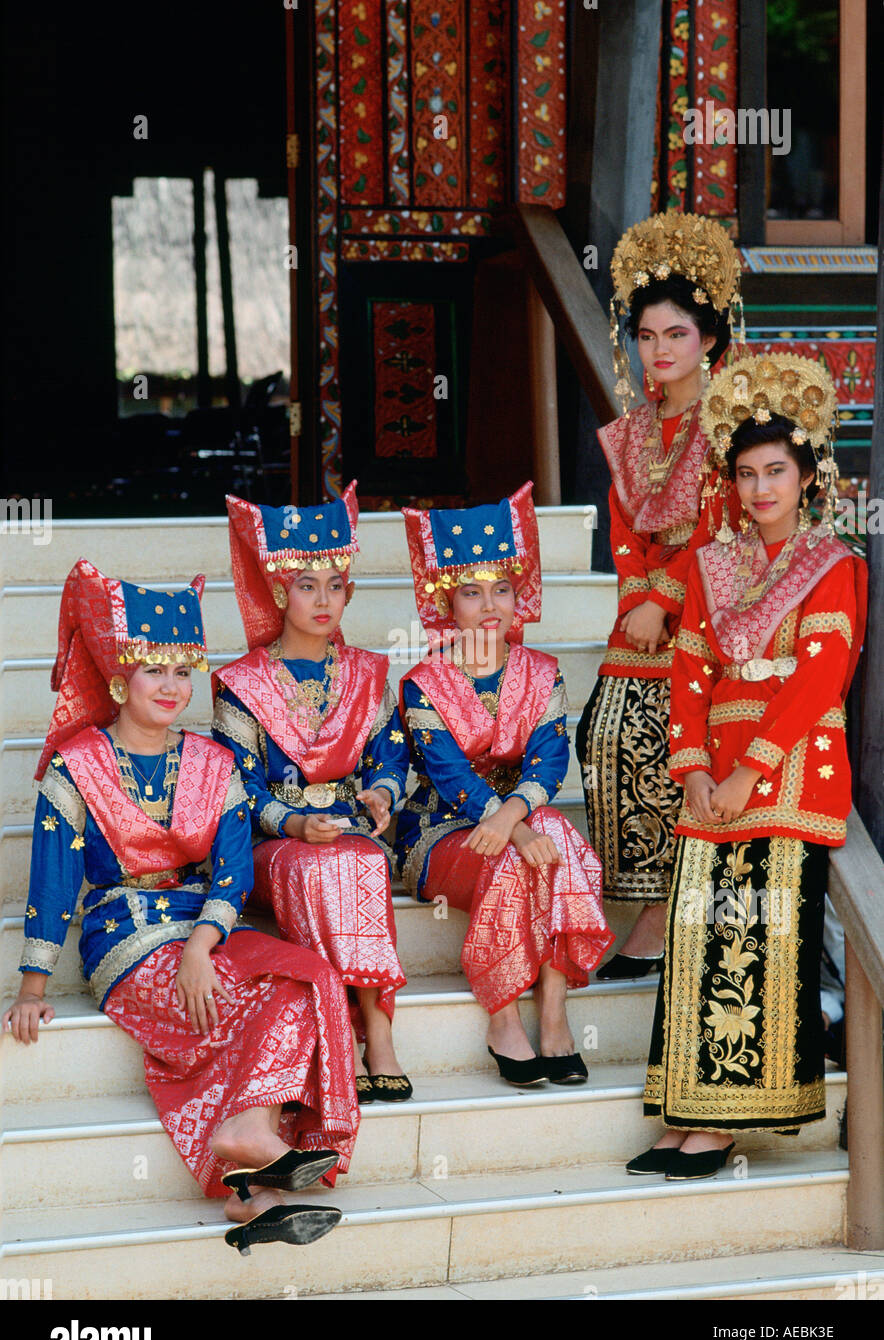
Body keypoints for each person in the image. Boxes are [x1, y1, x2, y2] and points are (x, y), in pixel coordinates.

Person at [2, 559, 359, 1251]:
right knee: (241, 1004)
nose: (171, 687)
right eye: (152, 671)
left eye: (182, 672)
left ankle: (252, 1173)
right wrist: (32, 986)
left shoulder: (210, 761)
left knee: (305, 983)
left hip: (205, 929)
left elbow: (231, 877)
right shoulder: (77, 767)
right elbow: (52, 884)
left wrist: (199, 945)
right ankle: (257, 1171)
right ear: (118, 680)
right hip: (126, 939)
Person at [629, 351, 867, 1179]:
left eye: (776, 471)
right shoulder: (710, 565)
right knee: (698, 935)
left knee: (758, 937)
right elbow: (689, 671)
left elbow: (815, 683)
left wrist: (744, 773)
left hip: (791, 769)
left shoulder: (834, 567)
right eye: (744, 474)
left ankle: (729, 1124)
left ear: (807, 477)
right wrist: (693, 768)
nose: (760, 488)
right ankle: (685, 1114)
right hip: (712, 776)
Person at [394, 483, 614, 1086]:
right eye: (471, 591)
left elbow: (548, 761)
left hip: (516, 815)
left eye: (502, 588)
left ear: (519, 595)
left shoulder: (541, 672)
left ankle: (551, 1010)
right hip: (440, 830)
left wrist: (511, 816)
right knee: (526, 856)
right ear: (447, 602)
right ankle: (500, 1012)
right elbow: (449, 773)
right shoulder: (423, 683)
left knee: (557, 840)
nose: (490, 603)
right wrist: (506, 824)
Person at [576, 209, 743, 978]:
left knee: (664, 730)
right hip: (642, 607)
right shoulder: (631, 431)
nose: (660, 350)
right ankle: (645, 891)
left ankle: (659, 910)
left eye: (675, 335)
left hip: (714, 603)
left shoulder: (731, 424)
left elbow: (724, 524)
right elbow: (620, 525)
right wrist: (638, 596)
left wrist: (667, 597)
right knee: (605, 731)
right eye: (646, 337)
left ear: (706, 338)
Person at [213, 489, 411, 1104]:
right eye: (306, 585)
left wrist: (381, 792)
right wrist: (294, 826)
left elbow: (391, 753)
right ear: (278, 593)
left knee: (360, 858)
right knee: (320, 866)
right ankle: (340, 1020)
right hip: (278, 843)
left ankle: (375, 1023)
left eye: (334, 584)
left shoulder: (366, 673)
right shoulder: (242, 683)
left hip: (352, 830)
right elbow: (237, 787)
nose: (323, 599)